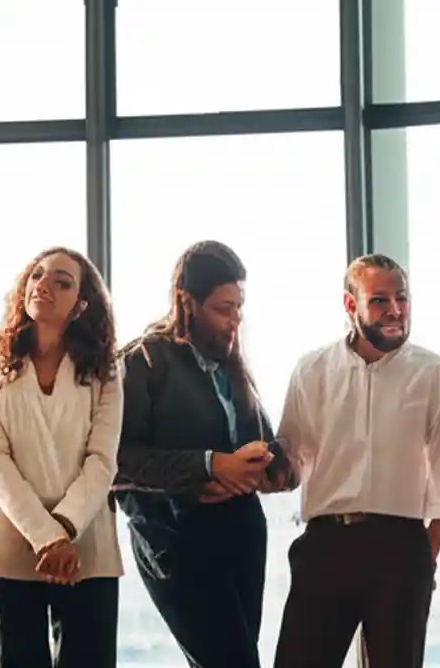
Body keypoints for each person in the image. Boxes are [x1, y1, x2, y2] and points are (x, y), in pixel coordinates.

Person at [272, 254, 440, 667]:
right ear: (350, 304)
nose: (395, 310)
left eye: (402, 298)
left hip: (401, 549)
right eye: (379, 300)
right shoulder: (312, 370)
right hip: (325, 547)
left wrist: (422, 562)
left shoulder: (434, 374)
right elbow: (292, 461)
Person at [113, 241, 282, 668]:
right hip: (177, 538)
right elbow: (118, 459)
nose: (234, 320)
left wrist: (269, 464)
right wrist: (209, 464)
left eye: (238, 308)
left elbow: (265, 440)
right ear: (187, 302)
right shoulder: (142, 361)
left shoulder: (231, 365)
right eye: (224, 308)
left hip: (241, 530)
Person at [0, 247, 123, 667]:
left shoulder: (105, 372)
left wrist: (65, 531)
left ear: (82, 305)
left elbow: (102, 460)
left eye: (62, 281)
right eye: (37, 275)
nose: (45, 286)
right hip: (11, 545)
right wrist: (47, 537)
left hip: (87, 547)